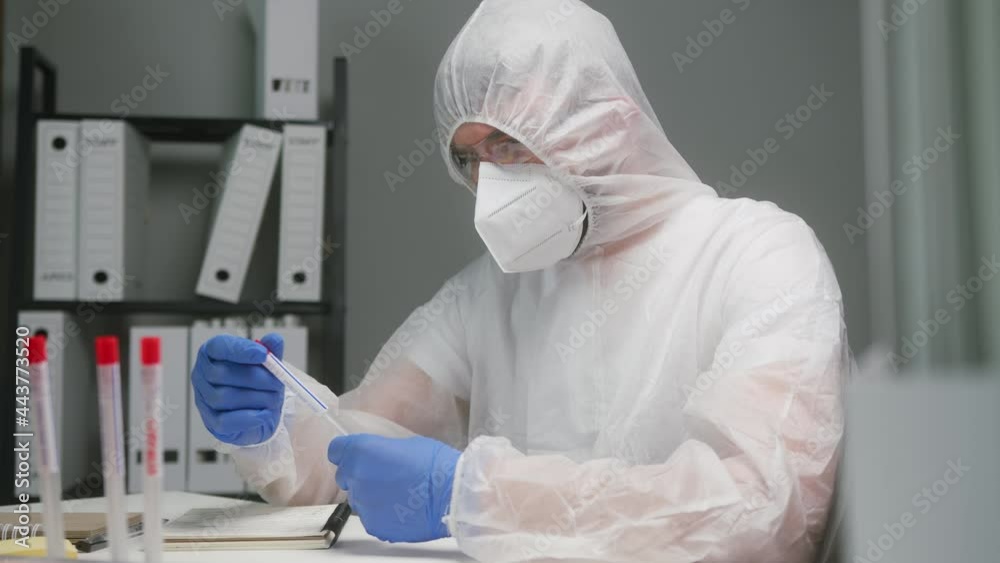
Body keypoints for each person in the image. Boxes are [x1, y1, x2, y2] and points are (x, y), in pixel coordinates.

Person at [190, 0, 850, 561]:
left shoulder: (757, 254)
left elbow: (768, 508)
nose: (488, 185)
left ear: (610, 121)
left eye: (509, 145)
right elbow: (355, 443)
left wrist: (476, 494)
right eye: (468, 158)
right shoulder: (489, 293)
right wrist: (274, 420)